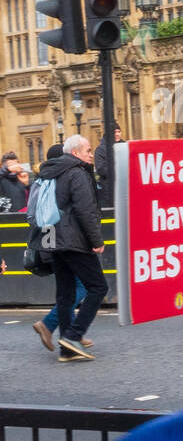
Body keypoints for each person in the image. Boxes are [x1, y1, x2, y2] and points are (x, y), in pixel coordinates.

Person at [35, 135, 108, 362]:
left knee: (65, 294)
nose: (90, 154)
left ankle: (67, 350)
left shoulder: (50, 172)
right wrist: (97, 241)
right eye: (87, 150)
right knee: (98, 287)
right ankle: (74, 336)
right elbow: (85, 211)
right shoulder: (77, 173)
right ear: (75, 152)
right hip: (74, 241)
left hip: (53, 240)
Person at [31, 143, 91, 353]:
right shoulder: (56, 180)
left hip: (50, 243)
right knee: (83, 287)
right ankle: (52, 325)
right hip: (62, 242)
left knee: (67, 290)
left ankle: (71, 334)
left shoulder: (42, 180)